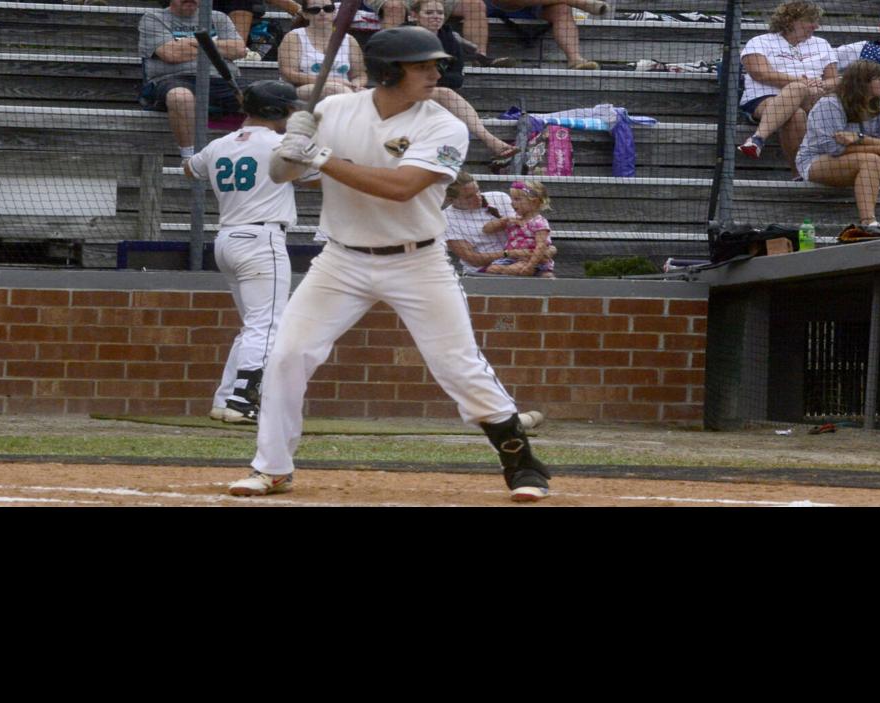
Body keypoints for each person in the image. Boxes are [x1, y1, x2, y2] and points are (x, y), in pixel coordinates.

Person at [230, 26, 550, 501]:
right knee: (287, 355)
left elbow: (401, 188)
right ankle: (272, 468)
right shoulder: (335, 110)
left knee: (458, 365)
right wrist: (290, 145)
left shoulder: (443, 125)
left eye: (436, 64)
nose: (435, 73)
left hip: (417, 261)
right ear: (386, 72)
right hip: (341, 259)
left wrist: (319, 155)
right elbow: (283, 176)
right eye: (421, 66)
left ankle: (522, 465)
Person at [184, 80, 306, 425]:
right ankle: (242, 400)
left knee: (253, 326)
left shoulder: (219, 144)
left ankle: (225, 399)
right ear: (278, 110)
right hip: (261, 240)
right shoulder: (281, 145)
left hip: (227, 239)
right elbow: (315, 174)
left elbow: (190, 169)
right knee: (267, 325)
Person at [139, 0, 250, 159]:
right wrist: (214, 48)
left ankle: (252, 150)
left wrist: (191, 42)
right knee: (180, 97)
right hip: (175, 79)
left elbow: (239, 50)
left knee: (262, 97)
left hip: (222, 79)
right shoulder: (154, 18)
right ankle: (190, 158)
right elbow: (171, 54)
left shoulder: (218, 17)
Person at [736, 0, 835, 174]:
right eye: (810, 20)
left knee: (798, 89)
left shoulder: (822, 44)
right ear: (790, 20)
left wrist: (819, 84)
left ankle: (758, 138)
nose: (816, 26)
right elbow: (761, 74)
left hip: (812, 97)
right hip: (763, 98)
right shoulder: (759, 42)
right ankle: (799, 175)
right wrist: (800, 82)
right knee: (795, 114)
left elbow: (833, 80)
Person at [409, 0, 515, 159]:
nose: (436, 17)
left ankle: (447, 161)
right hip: (403, 93)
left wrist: (434, 78)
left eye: (440, 13)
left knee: (447, 105)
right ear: (414, 16)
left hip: (433, 94)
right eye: (429, 13)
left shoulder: (449, 38)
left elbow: (457, 78)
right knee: (446, 94)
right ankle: (492, 142)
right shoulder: (405, 37)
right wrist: (437, 77)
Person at [797, 60, 880, 237]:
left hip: (858, 161)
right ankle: (868, 222)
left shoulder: (879, 104)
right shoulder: (830, 104)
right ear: (863, 82)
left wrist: (859, 138)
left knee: (874, 159)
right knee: (872, 160)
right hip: (817, 161)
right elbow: (834, 148)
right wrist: (876, 147)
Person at [483, 0, 614, 70]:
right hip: (493, 5)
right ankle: (579, 2)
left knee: (562, 9)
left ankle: (575, 59)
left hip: (535, 6)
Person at [277, 2, 367, 99]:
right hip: (301, 89)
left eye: (328, 9)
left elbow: (360, 75)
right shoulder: (294, 37)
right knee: (335, 90)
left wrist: (356, 85)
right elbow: (289, 74)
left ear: (334, 12)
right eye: (315, 10)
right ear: (305, 14)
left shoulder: (349, 40)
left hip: (345, 89)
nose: (322, 12)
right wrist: (334, 82)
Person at [477, 178, 553, 277]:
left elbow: (541, 246)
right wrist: (503, 221)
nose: (512, 203)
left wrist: (531, 266)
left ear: (534, 202)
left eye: (517, 199)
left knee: (510, 270)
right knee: (492, 269)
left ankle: (535, 273)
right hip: (510, 258)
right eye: (512, 199)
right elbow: (486, 229)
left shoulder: (539, 223)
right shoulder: (514, 219)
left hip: (531, 259)